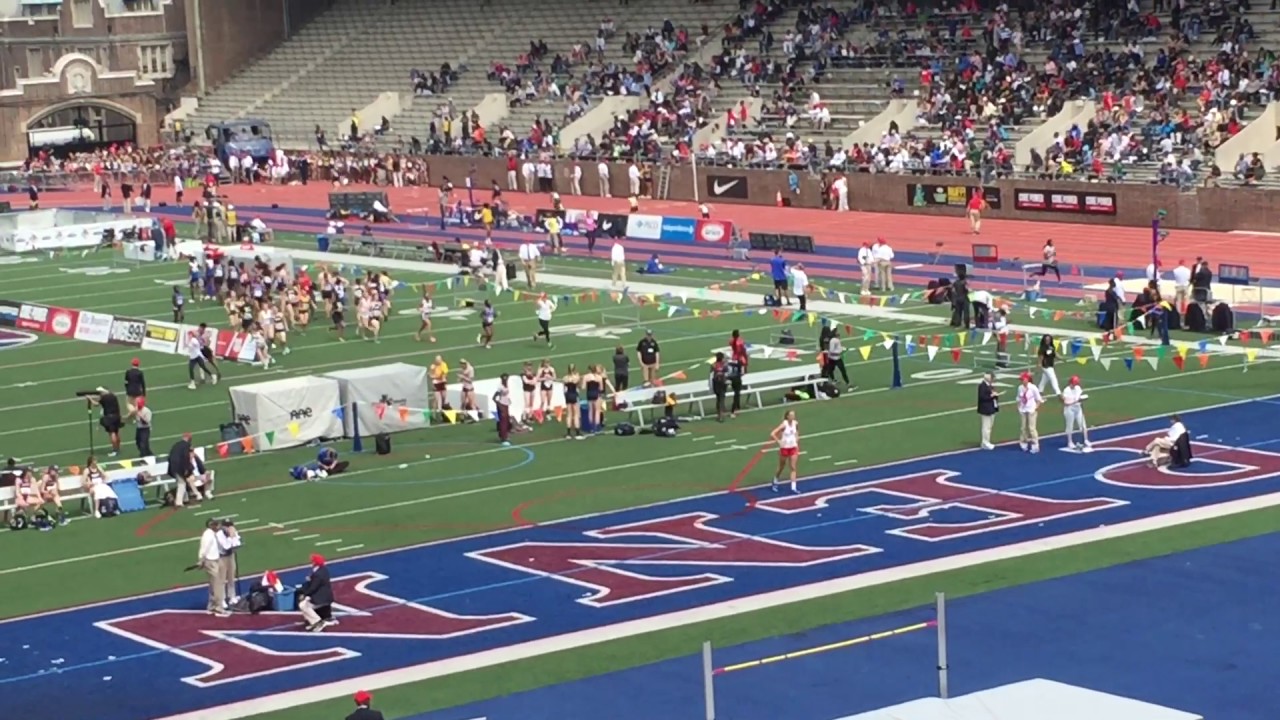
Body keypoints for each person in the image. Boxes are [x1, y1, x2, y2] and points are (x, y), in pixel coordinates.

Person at [199, 518, 231, 618]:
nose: (218, 527)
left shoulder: (210, 534)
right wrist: (201, 560)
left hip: (213, 560)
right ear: (211, 526)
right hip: (211, 561)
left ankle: (211, 606)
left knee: (214, 584)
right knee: (218, 585)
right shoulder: (208, 535)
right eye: (216, 525)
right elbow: (204, 548)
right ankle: (218, 608)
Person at [297, 554, 335, 632]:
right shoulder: (323, 569)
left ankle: (317, 622)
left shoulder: (317, 574)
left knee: (303, 605)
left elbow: (313, 587)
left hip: (321, 599)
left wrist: (305, 594)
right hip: (325, 596)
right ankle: (313, 623)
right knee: (304, 604)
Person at [770, 410, 801, 493]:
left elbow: (797, 432)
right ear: (787, 416)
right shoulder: (784, 424)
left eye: (794, 415)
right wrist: (779, 441)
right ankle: (775, 480)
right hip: (785, 448)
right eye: (791, 415)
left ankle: (793, 487)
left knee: (793, 467)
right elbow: (773, 433)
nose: (793, 416)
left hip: (793, 447)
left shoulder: (795, 423)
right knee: (781, 466)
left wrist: (797, 439)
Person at [1061, 375, 1091, 452]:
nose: (1075, 385)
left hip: (1078, 408)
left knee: (1083, 424)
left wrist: (1082, 399)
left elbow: (1080, 396)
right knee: (1070, 426)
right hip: (1069, 409)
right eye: (1074, 383)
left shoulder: (1078, 388)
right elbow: (1066, 403)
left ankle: (1086, 439)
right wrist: (1076, 401)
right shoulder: (1066, 390)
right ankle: (1070, 442)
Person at [90, 387, 123, 456]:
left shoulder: (104, 398)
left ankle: (115, 450)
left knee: (112, 433)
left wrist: (90, 399)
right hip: (117, 416)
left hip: (110, 417)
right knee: (117, 432)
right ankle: (118, 447)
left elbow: (96, 404)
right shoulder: (113, 396)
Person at [1016, 372, 1044, 453]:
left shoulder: (1033, 388)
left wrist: (1035, 408)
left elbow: (1038, 399)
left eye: (1023, 379)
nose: (1021, 381)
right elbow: (1018, 398)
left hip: (1031, 410)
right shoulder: (1020, 388)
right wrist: (1019, 407)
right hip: (1023, 410)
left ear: (1027, 379)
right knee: (1023, 428)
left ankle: (1035, 445)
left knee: (1032, 428)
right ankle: (1023, 443)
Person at [976, 372, 1000, 450]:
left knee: (989, 427)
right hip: (986, 409)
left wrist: (995, 396)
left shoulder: (990, 386)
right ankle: (985, 442)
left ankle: (987, 441)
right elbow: (982, 397)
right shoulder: (982, 386)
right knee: (986, 427)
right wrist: (991, 396)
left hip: (991, 408)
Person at [728, 329, 748, 417]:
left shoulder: (732, 340)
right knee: (741, 374)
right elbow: (743, 351)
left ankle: (738, 404)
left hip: (734, 357)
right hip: (739, 358)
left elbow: (731, 344)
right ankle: (737, 406)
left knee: (734, 372)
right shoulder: (740, 342)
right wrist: (746, 359)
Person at [562, 364, 582, 439]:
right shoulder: (576, 377)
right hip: (574, 394)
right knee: (576, 414)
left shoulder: (565, 378)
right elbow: (579, 386)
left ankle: (568, 433)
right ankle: (577, 433)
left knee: (569, 415)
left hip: (568, 395)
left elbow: (564, 388)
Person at [709, 352, 730, 422]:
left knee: (718, 398)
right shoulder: (724, 365)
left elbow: (711, 373)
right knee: (721, 398)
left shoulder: (714, 365)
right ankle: (721, 414)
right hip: (722, 382)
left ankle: (719, 413)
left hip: (716, 382)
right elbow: (727, 372)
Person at [494, 373, 513, 446]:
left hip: (506, 403)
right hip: (501, 404)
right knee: (503, 421)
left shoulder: (506, 385)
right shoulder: (500, 387)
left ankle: (503, 435)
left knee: (507, 420)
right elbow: (495, 397)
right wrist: (499, 405)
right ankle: (503, 437)